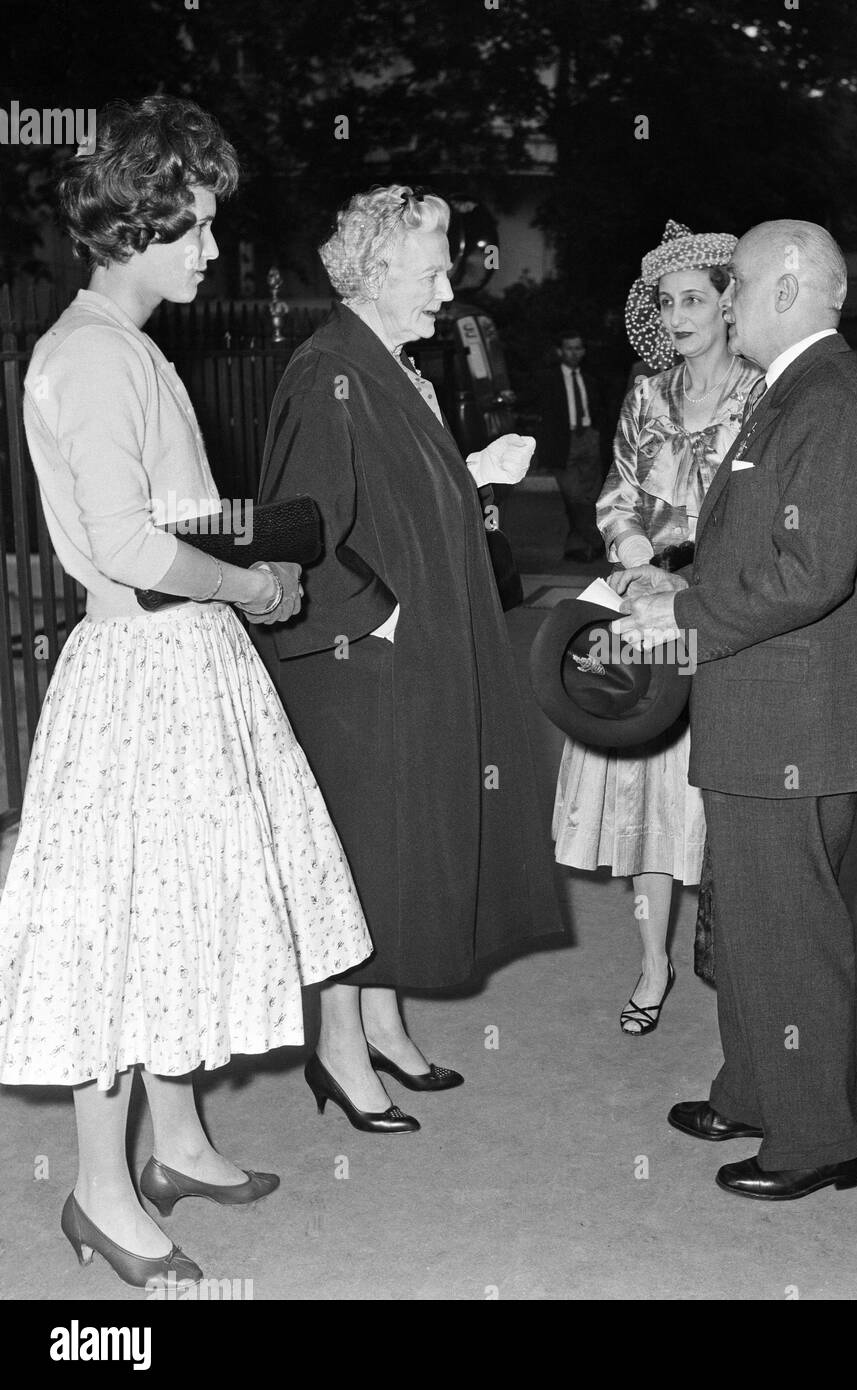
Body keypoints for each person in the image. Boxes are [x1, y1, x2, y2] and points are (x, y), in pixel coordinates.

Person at [0, 96, 372, 1288]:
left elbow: (167, 516)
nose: (213, 249)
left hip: (179, 665)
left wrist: (258, 549)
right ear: (136, 227)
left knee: (181, 912)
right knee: (124, 933)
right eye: (197, 228)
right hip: (143, 670)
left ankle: (175, 1141)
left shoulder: (131, 347)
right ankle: (99, 1194)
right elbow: (126, 546)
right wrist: (252, 586)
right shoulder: (93, 357)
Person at [256, 185, 565, 1135]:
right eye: (433, 268)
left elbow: (392, 497)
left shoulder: (387, 362)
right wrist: (381, 621)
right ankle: (338, 1047)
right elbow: (300, 528)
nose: (449, 284)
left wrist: (472, 473)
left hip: (404, 654)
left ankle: (383, 1021)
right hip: (358, 667)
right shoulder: (327, 370)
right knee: (362, 852)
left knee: (398, 848)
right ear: (380, 267)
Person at [614, 220, 857, 1200]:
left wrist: (682, 616)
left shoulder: (829, 399)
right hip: (762, 708)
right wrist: (679, 579)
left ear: (787, 284)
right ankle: (752, 1088)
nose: (723, 300)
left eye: (733, 282)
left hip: (797, 721)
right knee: (744, 920)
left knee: (789, 929)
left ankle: (818, 1137)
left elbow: (806, 571)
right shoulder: (794, 393)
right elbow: (750, 538)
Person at [553, 220, 760, 1034]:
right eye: (665, 302)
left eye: (693, 300)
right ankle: (652, 964)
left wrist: (695, 572)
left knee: (719, 799)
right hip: (645, 599)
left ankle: (738, 966)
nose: (677, 317)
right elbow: (619, 491)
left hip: (725, 602)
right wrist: (638, 553)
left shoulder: (762, 392)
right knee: (646, 798)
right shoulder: (648, 393)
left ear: (728, 303)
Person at [535, 329, 615, 561]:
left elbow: (602, 409)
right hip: (564, 442)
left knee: (591, 495)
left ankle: (578, 547)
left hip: (589, 438)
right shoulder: (548, 379)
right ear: (560, 351)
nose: (574, 353)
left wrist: (599, 435)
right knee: (574, 495)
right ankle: (595, 540)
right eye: (569, 348)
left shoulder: (591, 378)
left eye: (578, 348)